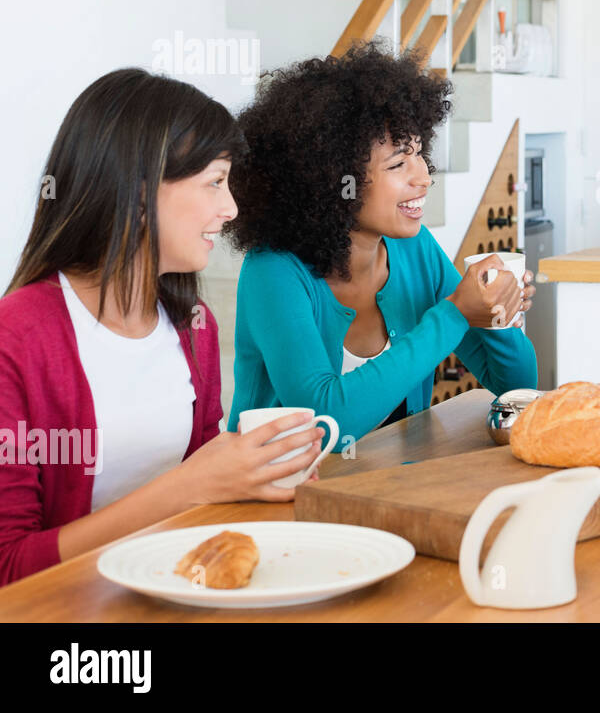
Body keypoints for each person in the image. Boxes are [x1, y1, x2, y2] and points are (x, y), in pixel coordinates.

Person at [0, 70, 325, 587]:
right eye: (215, 182)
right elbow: (8, 568)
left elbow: (199, 510)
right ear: (138, 190)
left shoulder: (194, 329)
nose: (231, 208)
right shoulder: (16, 339)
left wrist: (252, 478)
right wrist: (189, 485)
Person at [225, 43, 538, 448]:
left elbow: (516, 386)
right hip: (282, 497)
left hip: (384, 487)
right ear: (333, 181)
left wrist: (500, 312)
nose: (423, 177)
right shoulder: (274, 272)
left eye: (419, 153)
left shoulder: (414, 249)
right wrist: (455, 313)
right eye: (397, 164)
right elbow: (326, 424)